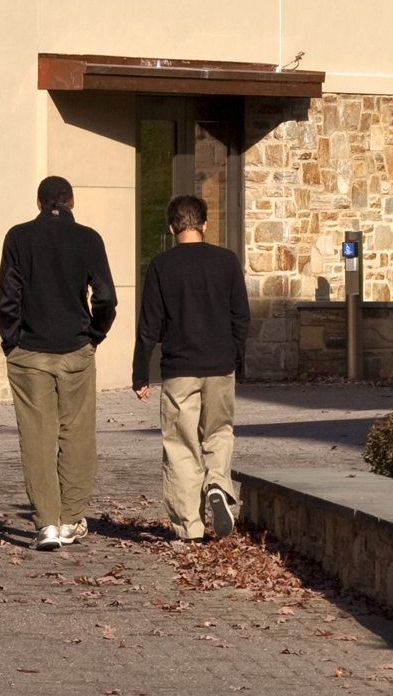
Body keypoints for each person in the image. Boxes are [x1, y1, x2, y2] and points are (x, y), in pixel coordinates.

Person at [0, 175, 117, 551]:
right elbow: (106, 298)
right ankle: (70, 518)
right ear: (72, 202)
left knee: (37, 437)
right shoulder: (89, 238)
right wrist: (95, 335)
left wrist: (11, 340)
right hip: (76, 350)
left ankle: (46, 523)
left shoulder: (17, 237)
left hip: (29, 351)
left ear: (38, 203)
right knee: (77, 435)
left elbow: (7, 295)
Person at [129, 193, 248, 544]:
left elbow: (148, 326)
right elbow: (241, 317)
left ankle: (190, 528)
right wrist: (236, 358)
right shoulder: (226, 261)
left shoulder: (162, 266)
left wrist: (140, 373)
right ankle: (217, 484)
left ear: (171, 227)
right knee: (219, 433)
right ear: (205, 224)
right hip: (219, 365)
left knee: (180, 445)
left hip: (179, 369)